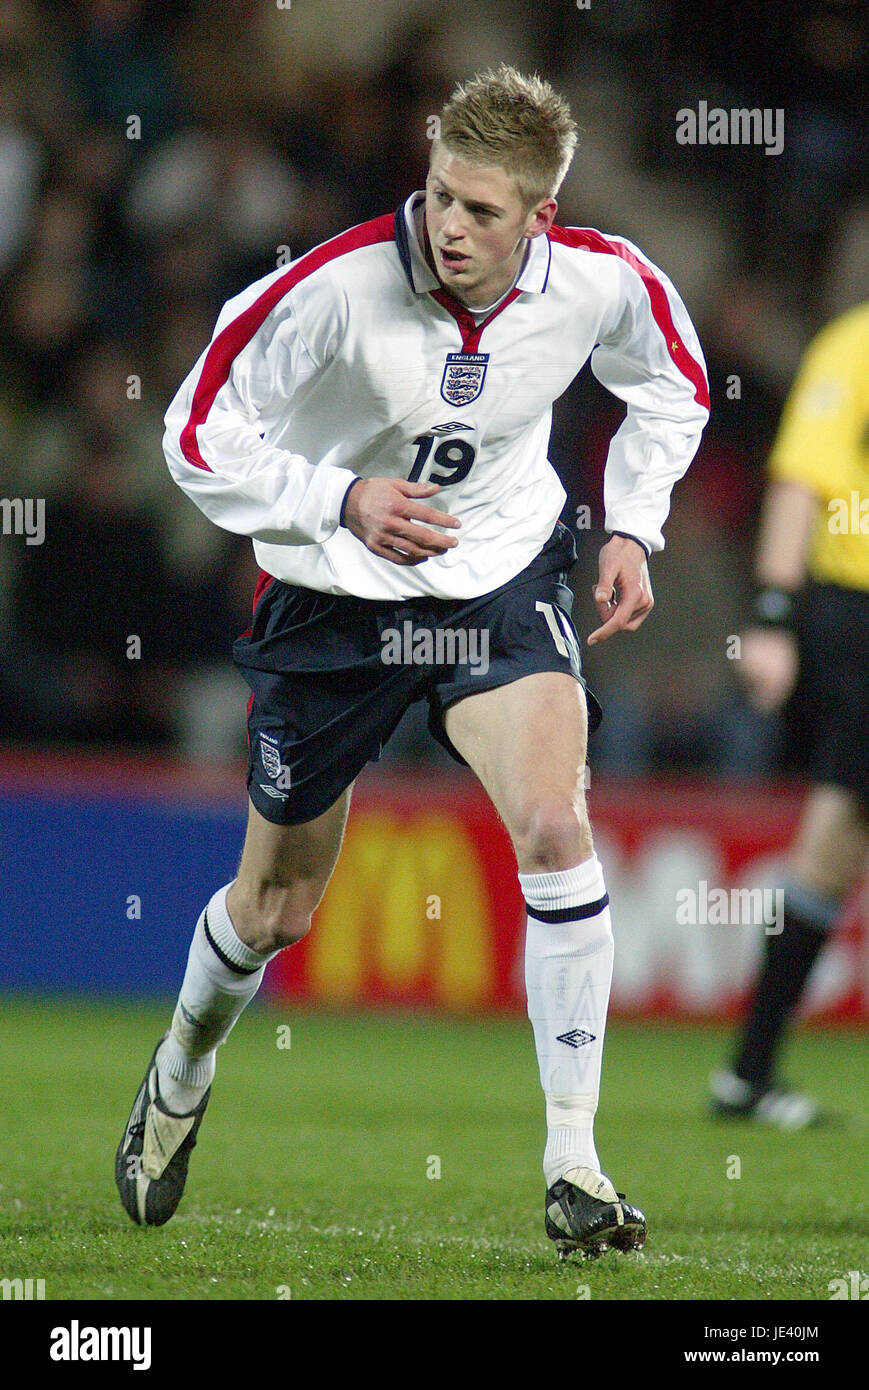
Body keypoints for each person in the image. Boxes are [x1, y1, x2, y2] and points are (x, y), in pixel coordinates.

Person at [116, 65, 709, 1259]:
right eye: (440, 194)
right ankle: (182, 1066)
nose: (448, 225)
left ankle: (575, 1166)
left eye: (482, 210)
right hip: (334, 602)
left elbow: (673, 386)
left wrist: (632, 519)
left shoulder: (599, 280)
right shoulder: (332, 288)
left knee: (553, 824)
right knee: (274, 908)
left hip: (496, 577)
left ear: (539, 219)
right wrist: (338, 498)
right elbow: (193, 426)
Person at [710, 301, 869, 1129]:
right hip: (858, 611)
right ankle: (745, 1071)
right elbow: (800, 478)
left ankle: (746, 1072)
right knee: (836, 829)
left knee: (834, 843)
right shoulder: (854, 345)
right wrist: (772, 613)